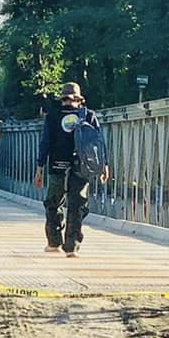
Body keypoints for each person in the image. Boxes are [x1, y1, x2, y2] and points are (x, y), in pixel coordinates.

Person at [31, 81, 109, 255]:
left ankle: (53, 242)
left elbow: (45, 143)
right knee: (77, 204)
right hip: (82, 166)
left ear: (62, 98)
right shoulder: (88, 115)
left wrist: (40, 167)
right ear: (78, 99)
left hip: (57, 165)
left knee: (53, 202)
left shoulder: (53, 116)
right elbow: (99, 142)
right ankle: (72, 245)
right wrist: (104, 165)